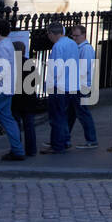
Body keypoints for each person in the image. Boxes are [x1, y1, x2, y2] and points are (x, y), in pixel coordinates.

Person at [42, 23, 77, 155]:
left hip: (59, 86)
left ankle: (57, 145)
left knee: (56, 117)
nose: (48, 37)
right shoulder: (72, 43)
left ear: (52, 33)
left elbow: (56, 68)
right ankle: (65, 141)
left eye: (48, 34)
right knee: (64, 115)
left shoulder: (58, 46)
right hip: (71, 85)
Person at [64, 24, 98, 149]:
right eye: (73, 35)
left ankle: (91, 139)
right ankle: (64, 139)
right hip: (76, 85)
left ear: (83, 35)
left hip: (81, 86)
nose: (74, 38)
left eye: (77, 36)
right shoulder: (78, 48)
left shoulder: (86, 49)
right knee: (71, 113)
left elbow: (84, 69)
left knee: (82, 113)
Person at [0, 22, 25, 160]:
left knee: (7, 119)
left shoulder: (1, 46)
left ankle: (18, 150)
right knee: (7, 119)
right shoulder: (8, 44)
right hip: (7, 88)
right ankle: (18, 150)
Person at [11, 41, 37, 158]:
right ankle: (31, 150)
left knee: (15, 125)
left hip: (16, 99)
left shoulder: (11, 63)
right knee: (29, 125)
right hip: (29, 98)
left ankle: (17, 148)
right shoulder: (29, 62)